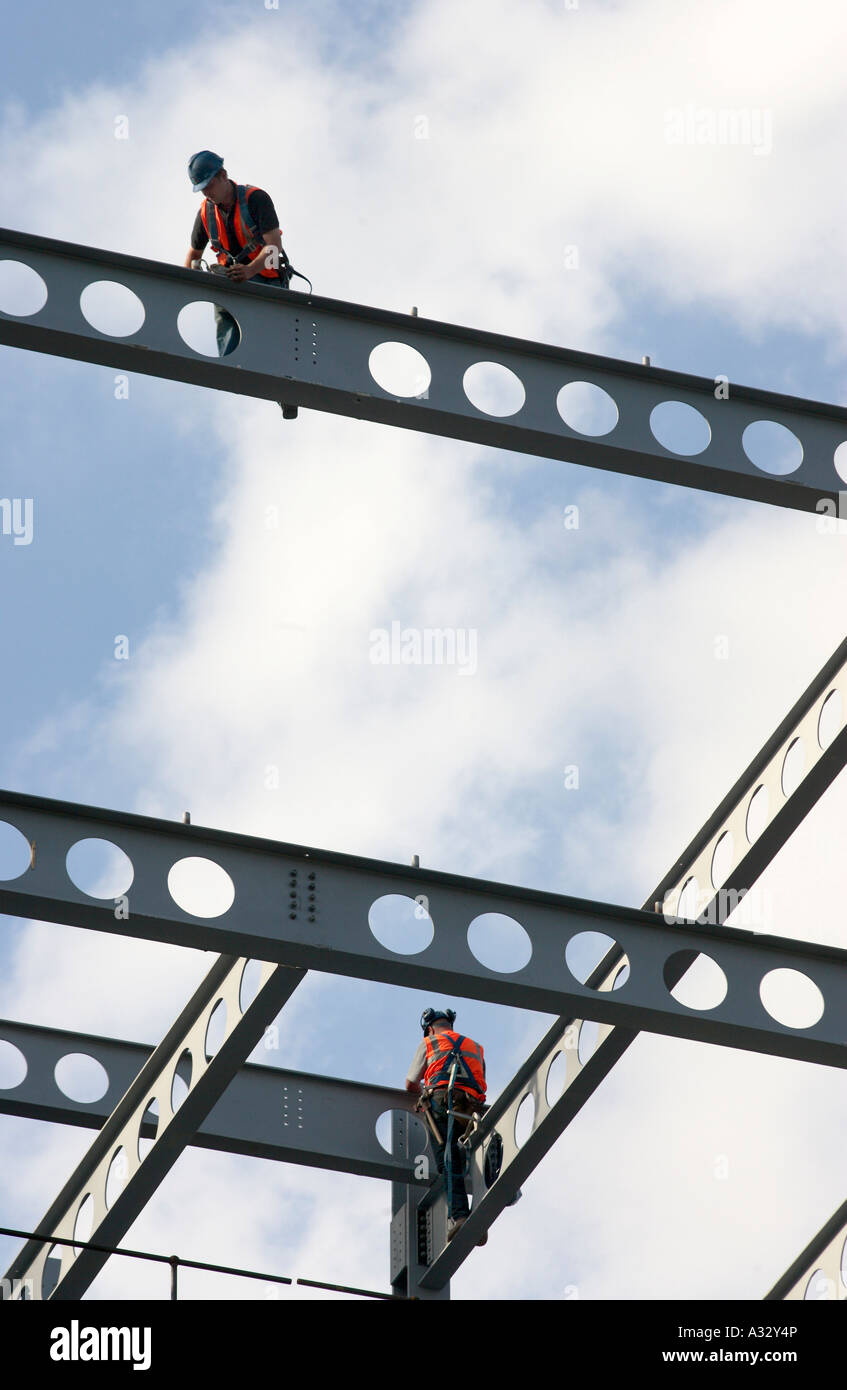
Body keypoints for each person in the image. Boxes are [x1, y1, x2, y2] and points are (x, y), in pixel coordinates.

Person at [182, 150, 298, 419]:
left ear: (223, 175)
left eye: (209, 185)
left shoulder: (255, 199)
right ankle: (233, 371)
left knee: (273, 337)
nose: (207, 193)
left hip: (264, 279)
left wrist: (249, 270)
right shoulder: (205, 213)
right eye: (202, 189)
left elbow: (273, 249)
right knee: (227, 324)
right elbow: (193, 255)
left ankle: (286, 391)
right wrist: (189, 279)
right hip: (229, 282)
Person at [406, 1007, 488, 1243]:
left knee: (448, 1159)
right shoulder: (475, 1046)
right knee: (476, 1157)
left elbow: (411, 1083)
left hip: (443, 1101)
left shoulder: (430, 1043)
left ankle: (461, 1217)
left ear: (430, 1028)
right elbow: (481, 1080)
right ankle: (492, 1206)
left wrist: (424, 1092)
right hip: (472, 1109)